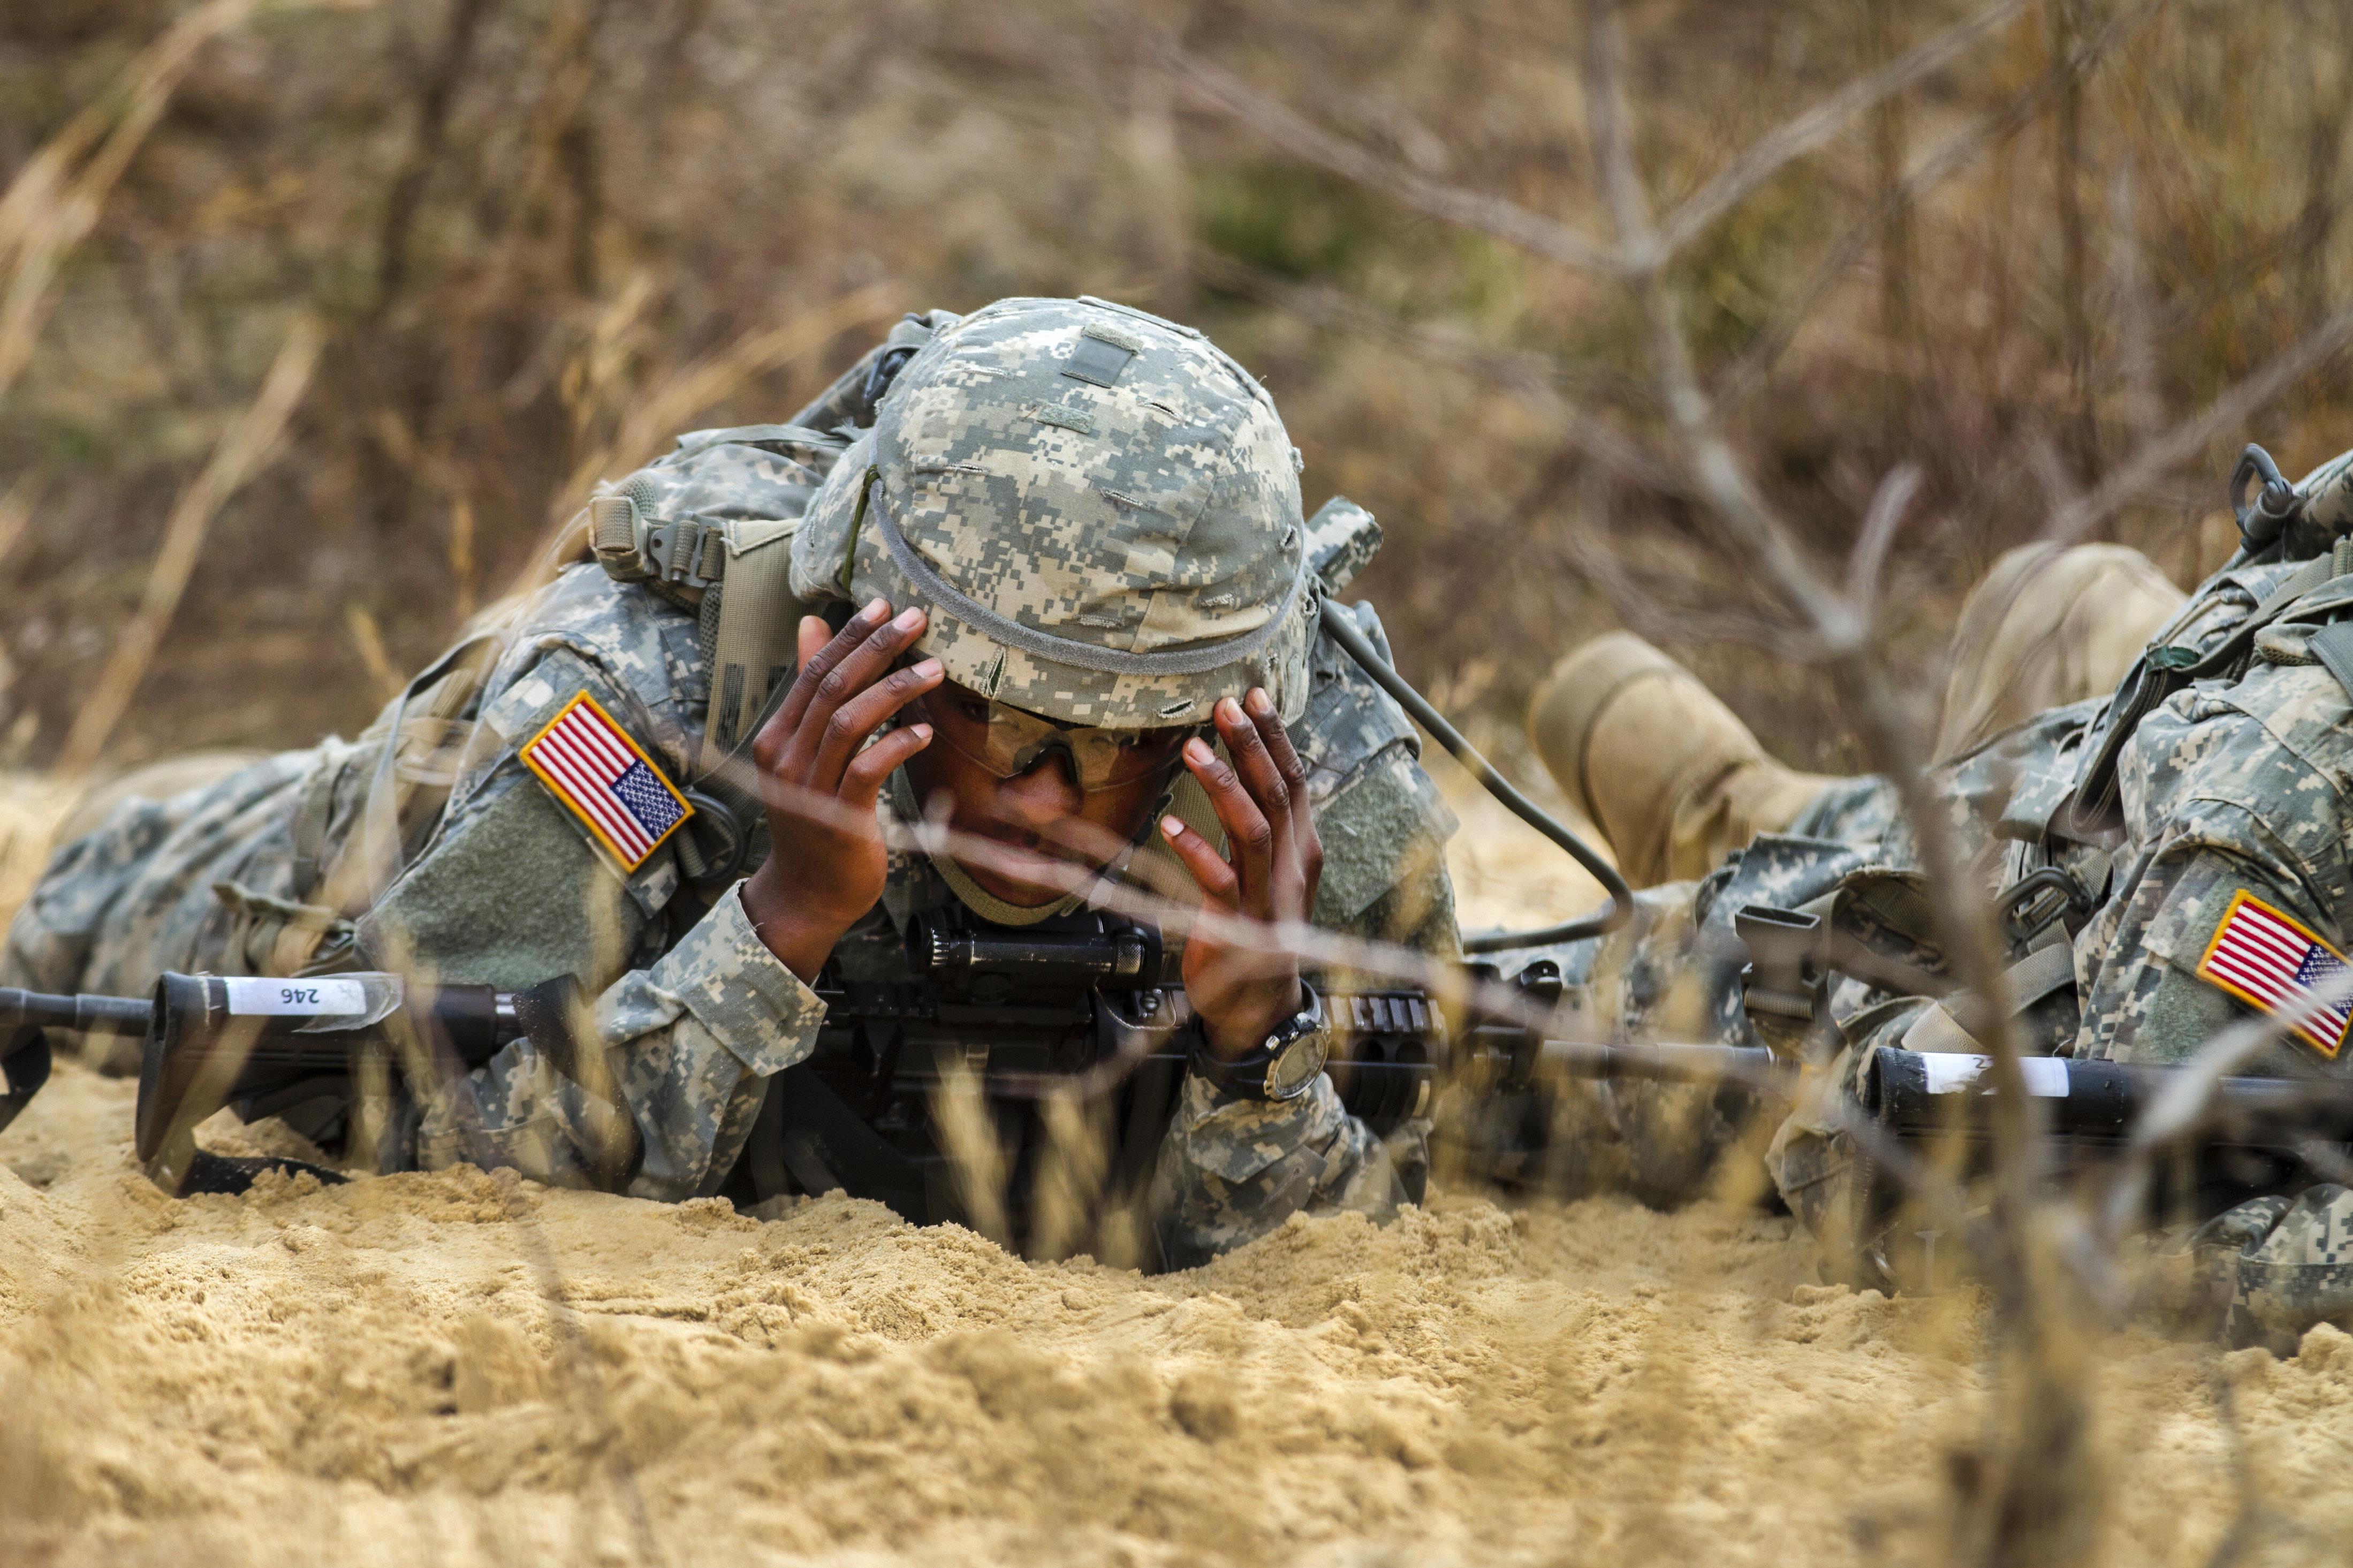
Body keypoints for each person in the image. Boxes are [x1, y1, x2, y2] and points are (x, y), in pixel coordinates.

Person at [2, 296, 1462, 1269]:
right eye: (999, 718)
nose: (1047, 791)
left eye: (1128, 738)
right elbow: (412, 1152)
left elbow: (1380, 1219)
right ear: (864, 632)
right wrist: (779, 923)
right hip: (386, 835)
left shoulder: (1321, 774)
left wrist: (1257, 1035)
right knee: (101, 885)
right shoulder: (642, 692)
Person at [1514, 446, 2353, 1344]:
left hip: (2090, 848)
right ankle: (1773, 813)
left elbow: (2110, 1238)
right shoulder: (2286, 795)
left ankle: (1748, 810)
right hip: (2082, 859)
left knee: (1682, 872)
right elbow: (2112, 1155)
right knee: (2061, 590)